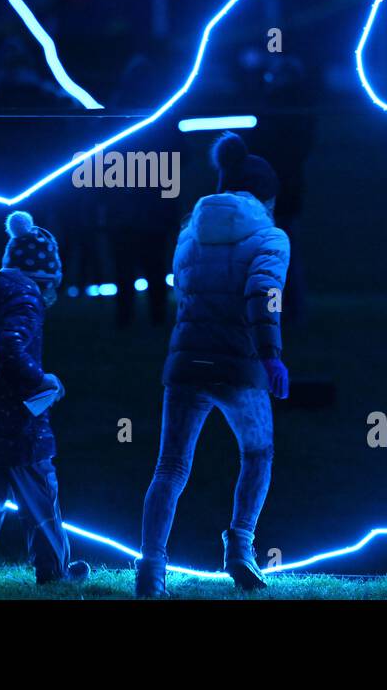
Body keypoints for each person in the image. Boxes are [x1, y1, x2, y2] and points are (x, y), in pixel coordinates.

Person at [136, 131, 290, 597]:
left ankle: (151, 569)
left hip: (185, 363)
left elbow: (186, 294)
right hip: (241, 365)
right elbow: (264, 294)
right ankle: (240, 547)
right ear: (267, 195)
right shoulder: (269, 236)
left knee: (170, 467)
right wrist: (271, 355)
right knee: (257, 453)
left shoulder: (190, 233)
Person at [0, 210, 90, 590]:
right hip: (19, 423)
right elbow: (7, 346)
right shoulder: (26, 298)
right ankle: (54, 571)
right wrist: (41, 380)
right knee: (40, 499)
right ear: (47, 278)